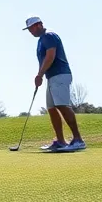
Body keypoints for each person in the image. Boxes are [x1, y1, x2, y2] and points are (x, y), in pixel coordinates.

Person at [24, 17, 86, 152]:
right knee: (52, 108)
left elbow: (50, 56)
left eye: (32, 28)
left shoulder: (49, 36)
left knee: (62, 105)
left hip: (60, 74)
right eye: (29, 29)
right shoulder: (42, 40)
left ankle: (78, 140)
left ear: (39, 25)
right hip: (51, 77)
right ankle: (61, 141)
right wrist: (42, 75)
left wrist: (39, 74)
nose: (31, 32)